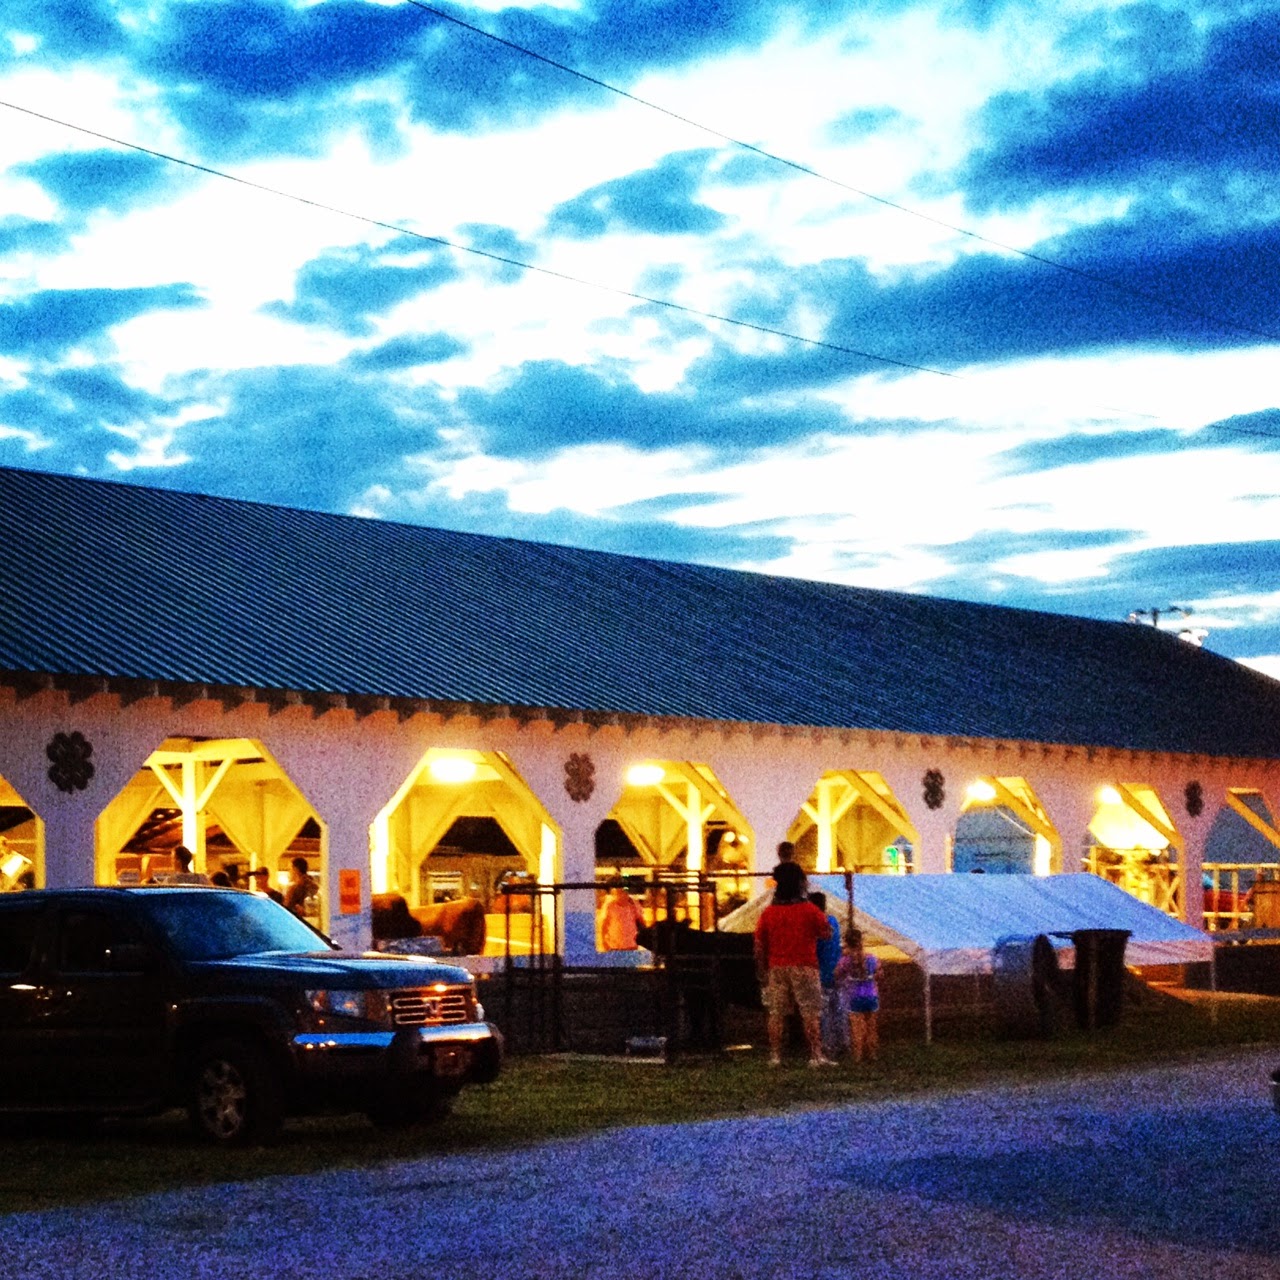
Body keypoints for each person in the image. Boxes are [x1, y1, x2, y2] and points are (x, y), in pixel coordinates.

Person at [754, 860, 834, 1068]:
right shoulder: (809, 909)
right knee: (810, 1013)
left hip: (776, 967)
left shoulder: (768, 913)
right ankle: (816, 1056)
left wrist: (762, 970)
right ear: (799, 882)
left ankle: (775, 1056)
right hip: (805, 966)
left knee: (776, 1013)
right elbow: (826, 933)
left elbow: (759, 944)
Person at [835, 929, 880, 1063]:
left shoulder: (845, 960)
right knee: (871, 1026)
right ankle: (872, 1054)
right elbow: (880, 973)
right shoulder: (872, 958)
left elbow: (836, 974)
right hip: (871, 994)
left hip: (854, 996)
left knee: (857, 1028)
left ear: (846, 942)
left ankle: (857, 1056)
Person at [810, 891, 846, 1059]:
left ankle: (827, 1045)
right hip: (837, 971)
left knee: (823, 1012)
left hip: (821, 974)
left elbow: (814, 949)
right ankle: (843, 1041)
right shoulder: (833, 921)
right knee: (838, 1008)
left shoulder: (815, 927)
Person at [597, 881, 644, 951]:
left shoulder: (633, 905)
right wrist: (603, 942)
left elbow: (641, 921)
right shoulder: (610, 906)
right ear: (614, 895)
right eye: (619, 893)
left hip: (631, 946)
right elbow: (603, 925)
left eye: (624, 892)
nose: (623, 895)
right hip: (614, 946)